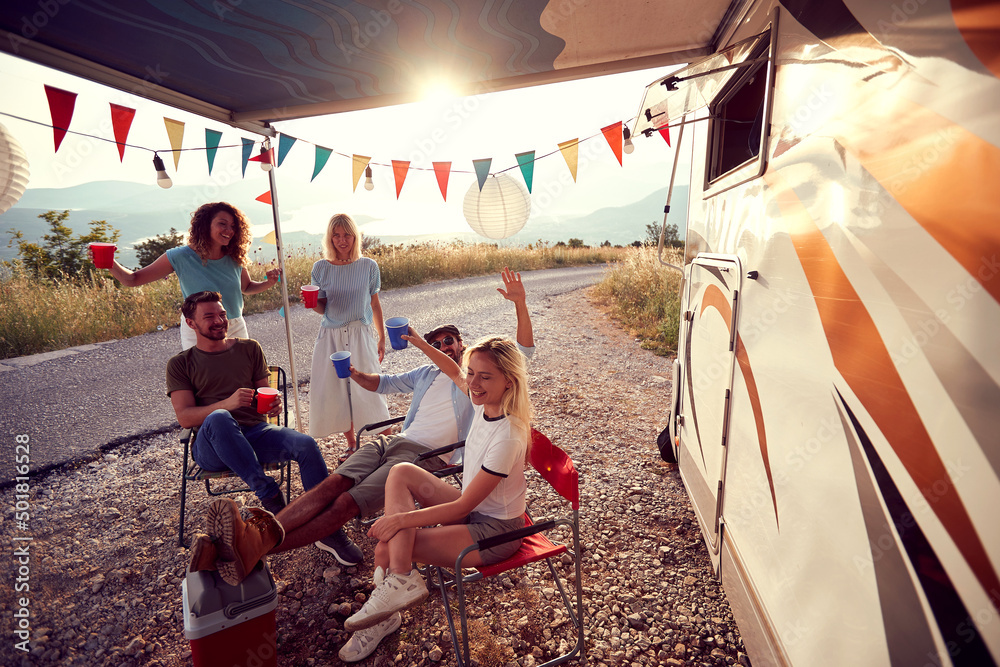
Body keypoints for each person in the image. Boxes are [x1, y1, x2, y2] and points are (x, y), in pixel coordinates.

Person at [204, 332, 532, 661]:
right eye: (471, 373)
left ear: (509, 381)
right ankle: (400, 581)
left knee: (390, 545)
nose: (473, 382)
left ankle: (385, 613)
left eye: (485, 376)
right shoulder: (484, 402)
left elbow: (463, 506)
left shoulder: (508, 436)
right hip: (471, 511)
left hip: (496, 532)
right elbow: (452, 369)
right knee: (400, 472)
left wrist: (397, 521)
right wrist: (420, 342)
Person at [167, 291, 340, 582]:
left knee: (306, 444)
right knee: (220, 418)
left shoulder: (249, 348)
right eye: (209, 316)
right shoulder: (181, 363)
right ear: (190, 323)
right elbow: (185, 416)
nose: (219, 321)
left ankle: (329, 529)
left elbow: (265, 396)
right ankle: (268, 492)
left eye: (221, 314)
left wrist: (274, 405)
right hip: (211, 445)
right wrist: (228, 404)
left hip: (255, 433)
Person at [107, 201, 280, 349]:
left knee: (241, 378)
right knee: (204, 382)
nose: (229, 230)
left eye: (233, 226)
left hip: (234, 325)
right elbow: (132, 279)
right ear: (205, 226)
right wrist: (109, 262)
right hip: (198, 329)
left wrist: (269, 282)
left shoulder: (234, 256)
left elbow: (246, 287)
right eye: (222, 223)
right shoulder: (179, 256)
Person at [307, 213, 390, 457]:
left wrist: (382, 336)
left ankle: (383, 437)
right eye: (336, 235)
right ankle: (352, 443)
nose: (342, 240)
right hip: (330, 334)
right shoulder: (320, 268)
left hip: (360, 332)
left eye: (347, 235)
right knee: (338, 387)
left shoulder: (368, 266)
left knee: (368, 384)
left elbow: (374, 304)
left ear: (355, 236)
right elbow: (323, 308)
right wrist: (312, 305)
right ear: (329, 238)